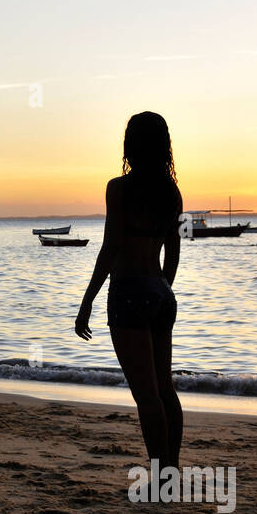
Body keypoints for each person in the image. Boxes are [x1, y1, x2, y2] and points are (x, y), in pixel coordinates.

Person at [75, 112, 184, 467]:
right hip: (161, 292)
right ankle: (171, 470)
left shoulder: (119, 188)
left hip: (129, 292)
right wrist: (163, 286)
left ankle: (162, 479)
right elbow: (174, 250)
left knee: (147, 396)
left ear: (130, 144)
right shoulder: (171, 192)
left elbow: (110, 247)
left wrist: (88, 300)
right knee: (165, 390)